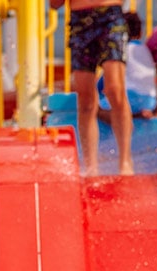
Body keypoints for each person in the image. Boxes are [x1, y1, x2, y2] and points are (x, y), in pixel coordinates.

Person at [49, 0, 133, 175]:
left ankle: (125, 161)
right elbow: (54, 4)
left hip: (110, 16)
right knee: (86, 99)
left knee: (115, 89)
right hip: (80, 20)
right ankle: (91, 166)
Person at [98, 11, 157, 121]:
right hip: (150, 100)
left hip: (132, 97)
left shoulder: (121, 51)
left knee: (95, 108)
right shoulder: (144, 49)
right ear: (140, 32)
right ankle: (138, 114)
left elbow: (104, 81)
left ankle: (123, 122)